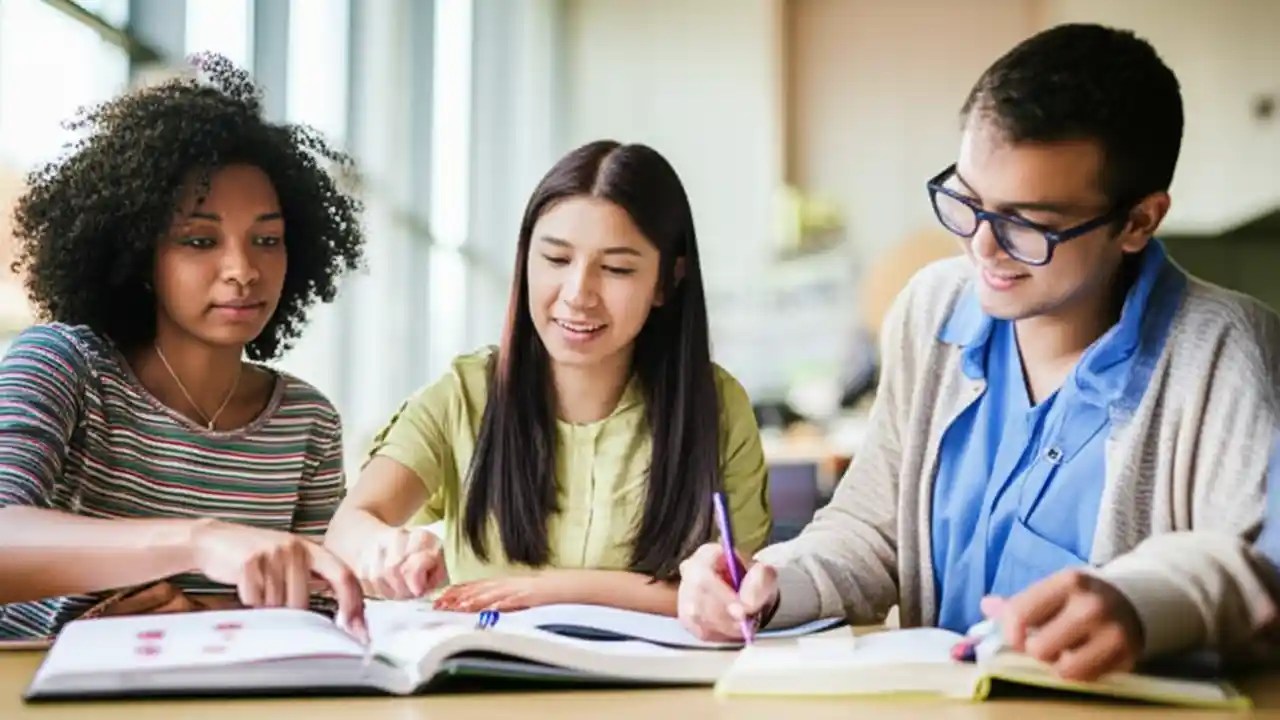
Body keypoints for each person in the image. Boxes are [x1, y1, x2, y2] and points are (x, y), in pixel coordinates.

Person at [677, 23, 1280, 681]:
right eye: (967, 201)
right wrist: (770, 585)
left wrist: (1140, 605)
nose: (982, 248)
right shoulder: (932, 309)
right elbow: (871, 530)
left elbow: (1261, 571)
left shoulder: (1227, 349)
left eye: (1026, 225)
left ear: (1138, 221)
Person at [0, 53, 367, 640]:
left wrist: (199, 621)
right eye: (200, 240)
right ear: (141, 252)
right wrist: (198, 539)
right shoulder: (63, 365)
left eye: (267, 239)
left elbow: (327, 608)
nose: (242, 270)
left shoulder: (306, 420)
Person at [324, 140, 771, 615]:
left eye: (617, 268)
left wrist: (548, 590)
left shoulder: (715, 406)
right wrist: (385, 551)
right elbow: (349, 526)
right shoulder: (466, 395)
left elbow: (739, 590)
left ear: (666, 281)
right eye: (556, 260)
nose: (578, 294)